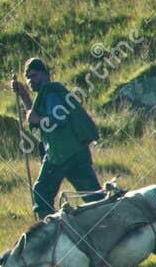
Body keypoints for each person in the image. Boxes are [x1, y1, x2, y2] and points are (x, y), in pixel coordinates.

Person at [9, 57, 102, 219]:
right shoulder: (49, 94)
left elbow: (58, 120)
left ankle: (50, 232)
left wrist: (37, 119)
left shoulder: (51, 94)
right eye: (28, 78)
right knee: (94, 197)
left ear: (45, 75)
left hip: (60, 155)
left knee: (41, 194)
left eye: (34, 75)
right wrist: (24, 96)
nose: (31, 80)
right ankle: (109, 222)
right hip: (77, 152)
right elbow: (37, 118)